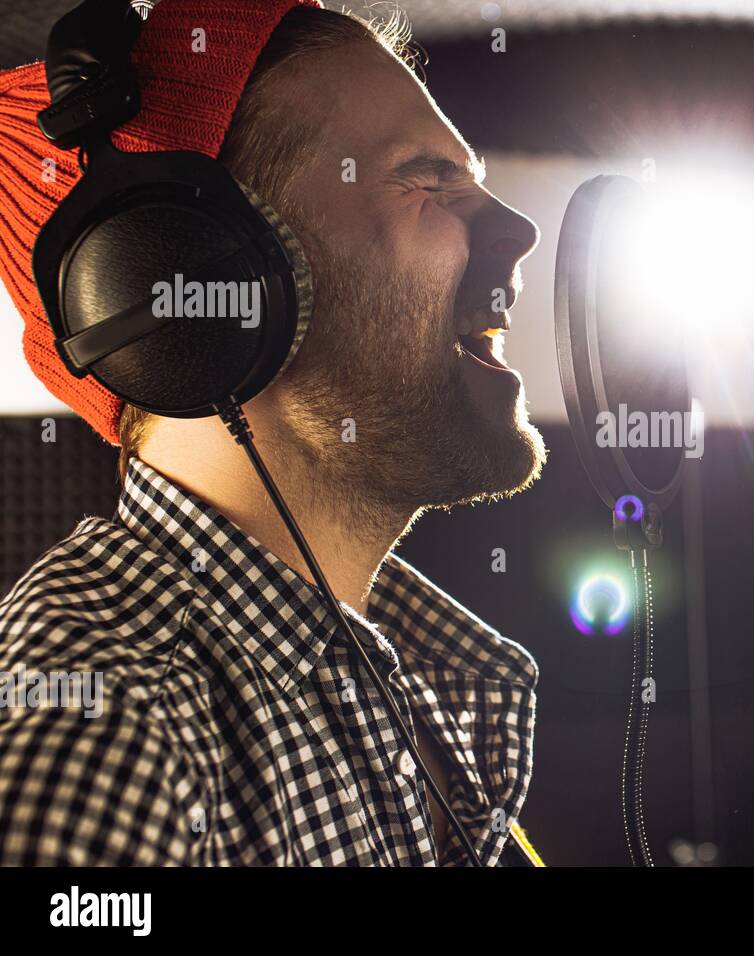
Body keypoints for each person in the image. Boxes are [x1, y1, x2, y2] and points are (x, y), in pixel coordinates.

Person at [0, 0, 546, 866]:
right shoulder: (106, 725)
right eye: (426, 180)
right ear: (187, 275)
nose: (520, 232)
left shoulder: (422, 676)